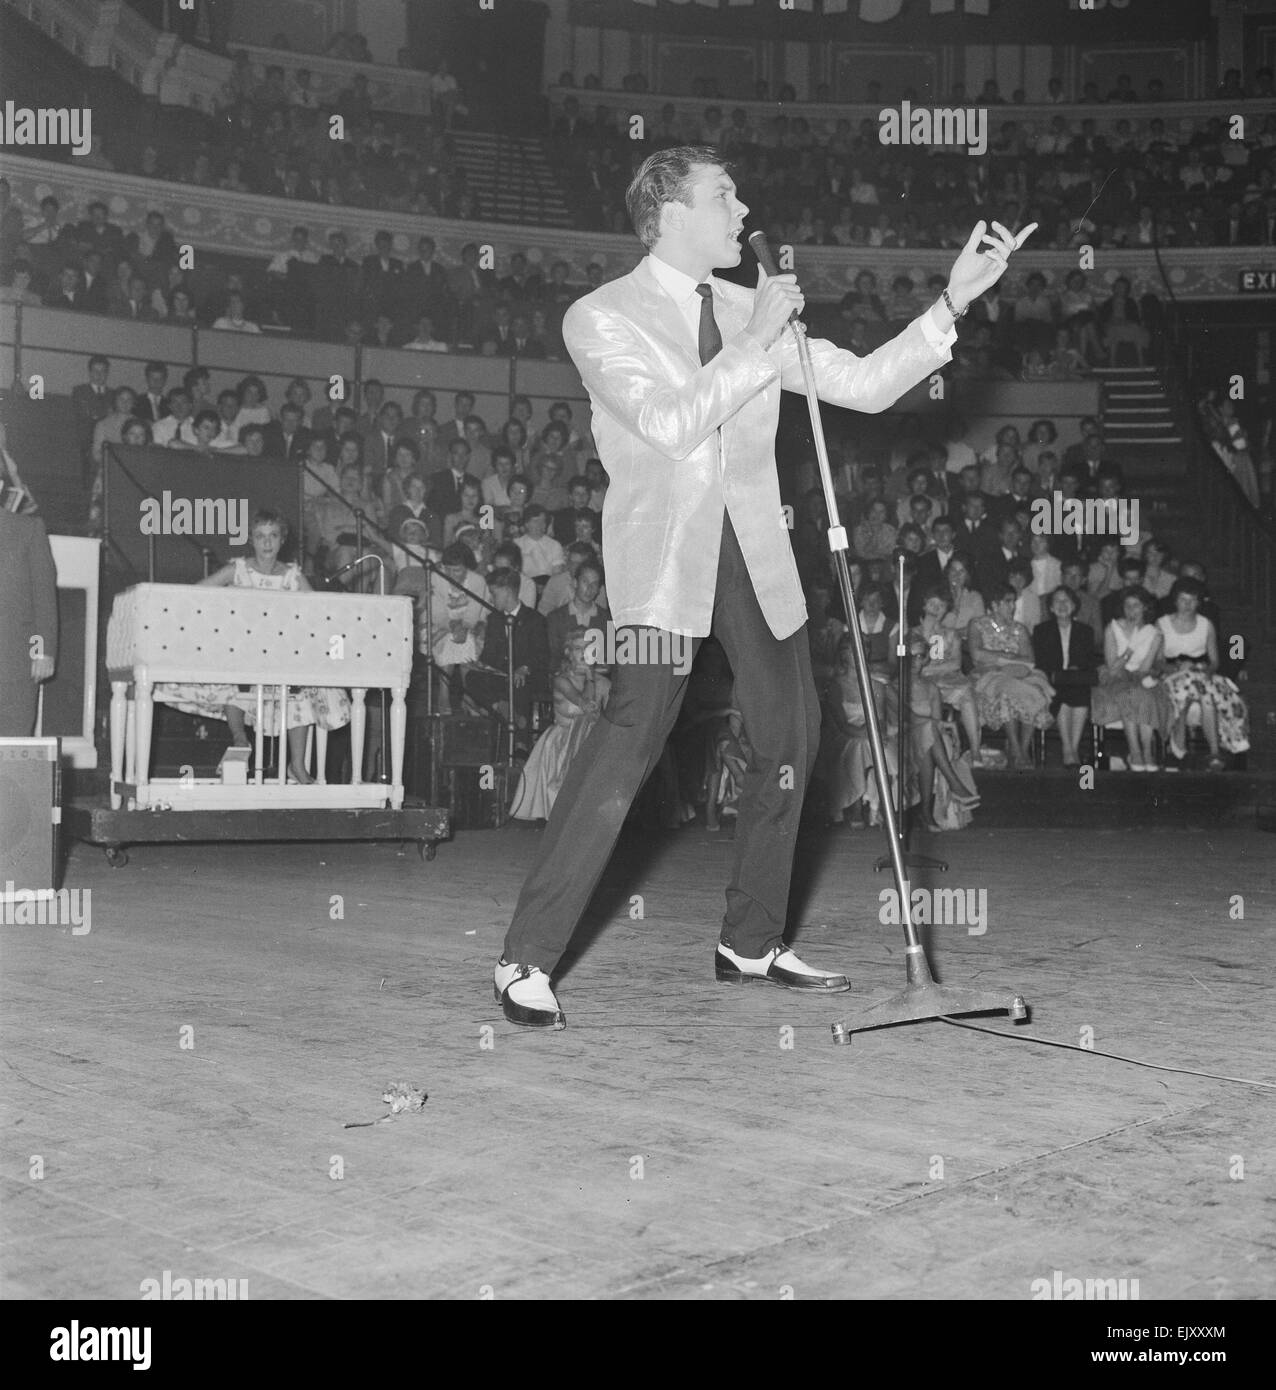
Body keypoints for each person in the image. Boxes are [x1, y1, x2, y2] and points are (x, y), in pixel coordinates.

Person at [493, 143, 1036, 1026]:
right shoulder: (600, 317)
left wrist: (951, 303)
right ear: (670, 213)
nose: (744, 210)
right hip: (666, 557)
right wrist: (751, 344)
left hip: (752, 550)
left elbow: (859, 386)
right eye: (724, 196)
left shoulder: (755, 308)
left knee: (793, 731)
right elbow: (671, 424)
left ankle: (751, 938)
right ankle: (525, 957)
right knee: (633, 735)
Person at [152, 512, 351, 783]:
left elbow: (316, 612)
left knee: (302, 689)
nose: (266, 543)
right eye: (260, 536)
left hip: (280, 654)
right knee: (234, 683)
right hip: (242, 652)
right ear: (251, 540)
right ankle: (240, 739)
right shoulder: (238, 569)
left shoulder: (292, 576)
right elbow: (196, 593)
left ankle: (298, 765)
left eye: (273, 536)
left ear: (282, 540)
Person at [509, 628, 611, 822]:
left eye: (588, 648)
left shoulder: (604, 683)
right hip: (562, 741)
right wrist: (590, 675)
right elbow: (585, 704)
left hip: (590, 740)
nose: (583, 653)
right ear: (568, 652)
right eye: (577, 648)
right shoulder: (561, 680)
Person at [1156, 578, 1249, 768]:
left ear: (1199, 602)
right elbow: (1157, 661)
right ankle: (1181, 738)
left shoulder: (1206, 624)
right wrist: (1176, 668)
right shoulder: (1162, 623)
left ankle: (1214, 754)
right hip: (1173, 675)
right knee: (1197, 687)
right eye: (1183, 600)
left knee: (1206, 695)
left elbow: (1214, 661)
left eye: (1193, 600)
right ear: (1175, 600)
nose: (1188, 605)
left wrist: (1205, 670)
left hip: (1200, 675)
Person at [968, 584, 1055, 769]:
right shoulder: (977, 625)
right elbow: (976, 655)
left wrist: (998, 659)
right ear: (995, 604)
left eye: (1013, 602)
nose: (1013, 606)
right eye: (1007, 602)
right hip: (988, 677)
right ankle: (1016, 750)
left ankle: (1022, 750)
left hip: (1018, 674)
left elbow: (1029, 660)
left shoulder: (1019, 629)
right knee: (1007, 693)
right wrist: (1007, 657)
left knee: (1035, 684)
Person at [1092, 587, 1170, 772]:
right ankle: (1135, 751)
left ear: (1145, 608)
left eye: (1136, 606)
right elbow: (1112, 667)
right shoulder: (1113, 628)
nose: (1131, 610)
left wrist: (1149, 642)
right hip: (1115, 676)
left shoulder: (1154, 632)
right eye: (1127, 606)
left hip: (1140, 677)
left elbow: (1144, 670)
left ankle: (1148, 753)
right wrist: (1131, 648)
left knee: (1142, 693)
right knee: (1130, 693)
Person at [0, 508, 58, 736]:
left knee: (12, 748)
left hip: (14, 664)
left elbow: (43, 596)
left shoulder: (27, 529)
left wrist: (42, 651)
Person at [1032, 586, 1099, 767]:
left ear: (1074, 606)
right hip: (1052, 681)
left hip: (1076, 680)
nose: (1062, 605)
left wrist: (1078, 666)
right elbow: (1040, 662)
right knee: (1061, 692)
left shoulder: (1085, 631)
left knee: (1080, 692)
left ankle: (1073, 748)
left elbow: (1090, 661)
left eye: (1066, 601)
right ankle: (1068, 748)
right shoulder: (1041, 630)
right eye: (1057, 601)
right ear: (1051, 608)